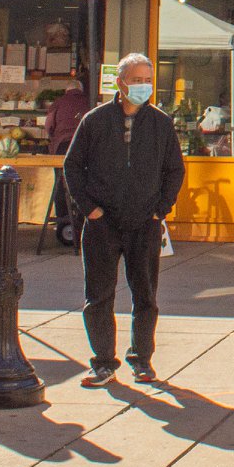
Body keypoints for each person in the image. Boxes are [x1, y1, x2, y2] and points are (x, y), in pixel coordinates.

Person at [62, 53, 186, 387]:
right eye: (137, 79)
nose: (144, 86)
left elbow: (174, 169)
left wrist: (161, 209)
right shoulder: (95, 121)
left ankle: (142, 359)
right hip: (103, 223)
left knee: (145, 293)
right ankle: (103, 362)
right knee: (99, 294)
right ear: (120, 82)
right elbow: (72, 166)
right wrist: (90, 209)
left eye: (148, 79)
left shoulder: (160, 123)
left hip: (144, 222)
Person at [45, 74, 92, 245]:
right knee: (84, 183)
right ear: (80, 89)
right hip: (84, 147)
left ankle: (64, 220)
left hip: (63, 146)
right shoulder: (89, 101)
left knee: (60, 184)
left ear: (67, 90)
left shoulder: (58, 102)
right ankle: (82, 219)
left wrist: (54, 137)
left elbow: (48, 126)